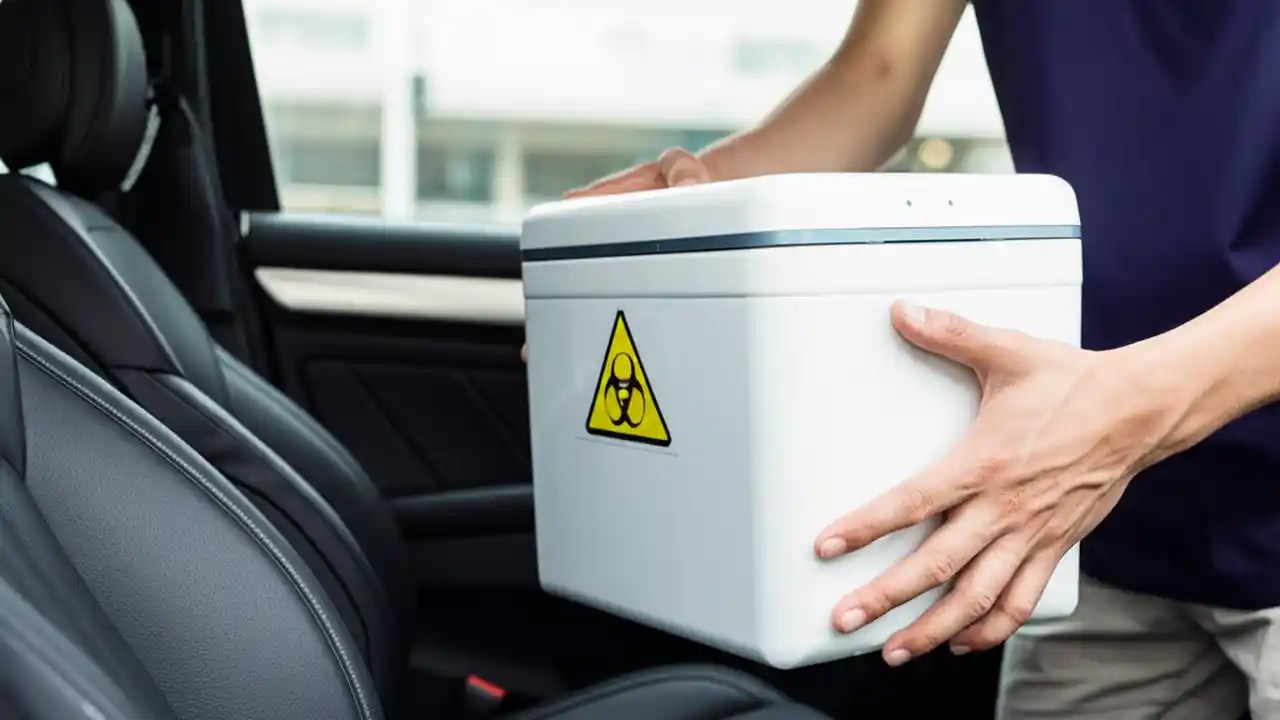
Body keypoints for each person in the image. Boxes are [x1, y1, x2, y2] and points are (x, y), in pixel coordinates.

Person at [527, 1, 1280, 717]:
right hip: (1083, 509)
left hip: (1105, 455)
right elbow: (876, 74)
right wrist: (684, 211)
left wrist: (1120, 419)